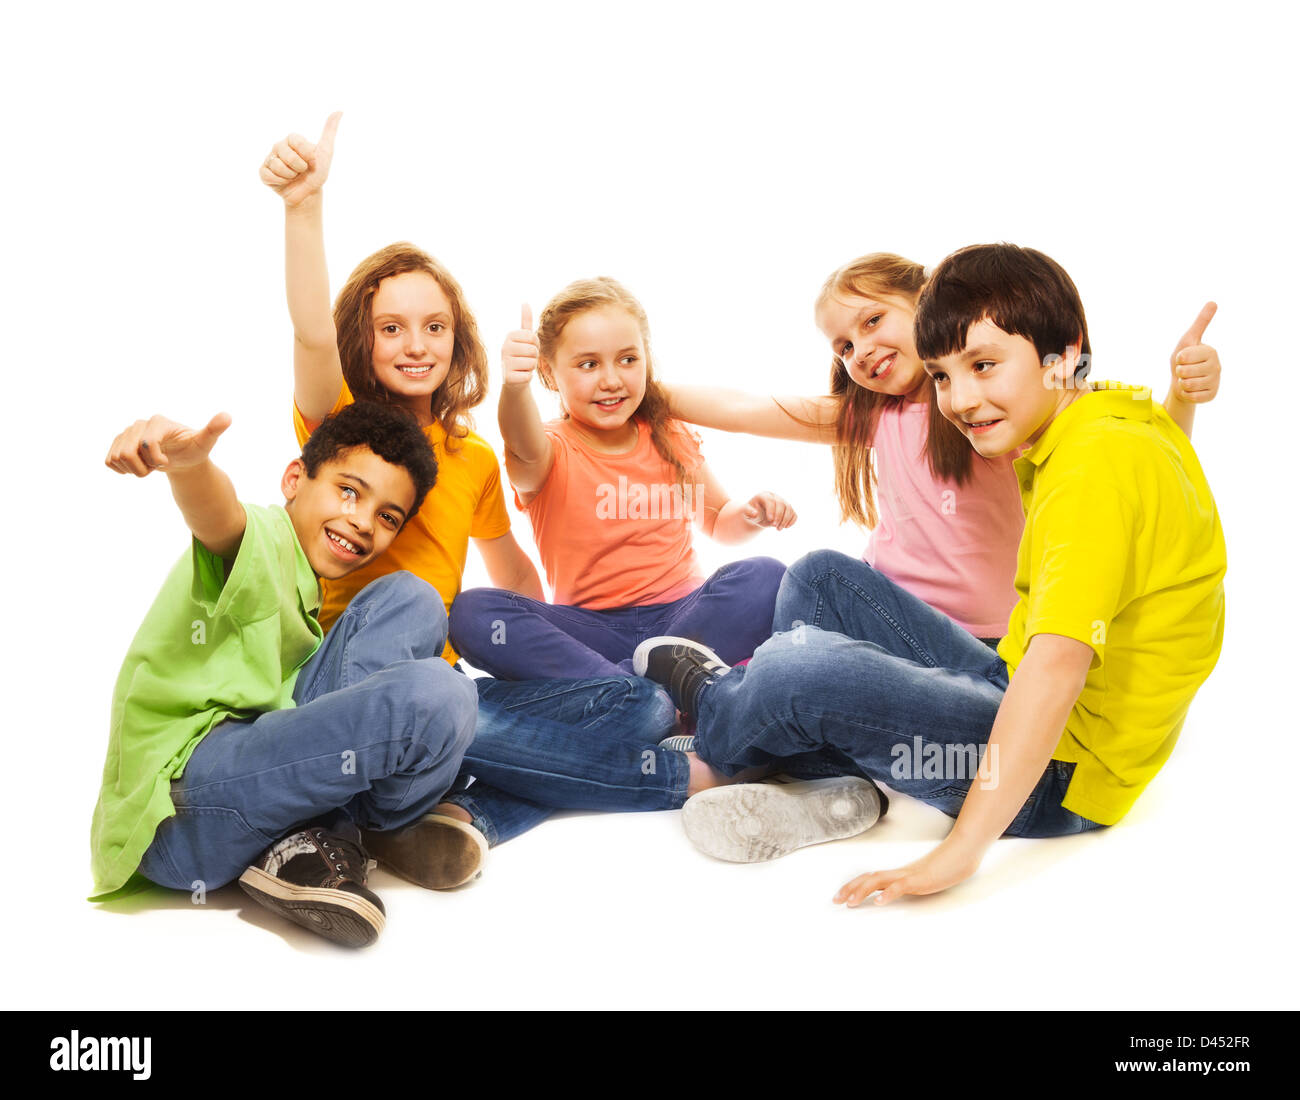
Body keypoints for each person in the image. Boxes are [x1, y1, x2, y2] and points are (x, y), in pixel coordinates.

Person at [635, 243, 1226, 906]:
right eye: (944, 375)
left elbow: (1059, 664)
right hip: (1013, 679)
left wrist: (959, 853)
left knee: (801, 665)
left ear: (1064, 355)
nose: (961, 399)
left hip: (1063, 772)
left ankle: (721, 718)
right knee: (820, 576)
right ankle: (818, 768)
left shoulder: (1090, 471)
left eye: (983, 366)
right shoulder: (1102, 417)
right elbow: (1157, 484)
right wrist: (1180, 394)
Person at [663, 252, 1220, 642]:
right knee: (780, 593)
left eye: (873, 320)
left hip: (984, 640)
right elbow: (743, 408)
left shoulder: (998, 407)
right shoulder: (870, 416)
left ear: (926, 307)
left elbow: (1140, 453)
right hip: (885, 613)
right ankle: (730, 692)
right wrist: (640, 391)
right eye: (844, 347)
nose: (859, 351)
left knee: (816, 641)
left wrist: (1182, 395)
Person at [91, 402, 480, 947]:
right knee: (441, 694)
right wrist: (191, 467)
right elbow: (220, 519)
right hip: (178, 812)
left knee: (413, 599)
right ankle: (349, 833)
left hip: (251, 767)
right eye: (349, 490)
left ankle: (332, 837)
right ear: (295, 479)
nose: (363, 521)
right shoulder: (265, 540)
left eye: (388, 516)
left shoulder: (310, 595)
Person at [261, 113, 543, 662]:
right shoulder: (340, 421)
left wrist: (556, 652)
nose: (417, 346)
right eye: (392, 329)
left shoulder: (474, 457)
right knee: (414, 602)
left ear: (456, 338)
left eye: (434, 327)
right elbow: (312, 333)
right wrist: (303, 208)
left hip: (440, 692)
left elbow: (514, 575)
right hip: (341, 672)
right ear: (361, 341)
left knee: (629, 711)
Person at [449, 278, 793, 680]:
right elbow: (521, 443)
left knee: (766, 576)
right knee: (474, 613)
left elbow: (717, 521)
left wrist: (751, 515)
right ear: (549, 370)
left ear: (646, 358)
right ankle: (655, 687)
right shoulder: (550, 449)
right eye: (589, 364)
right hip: (590, 631)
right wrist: (515, 387)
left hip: (684, 621)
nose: (611, 380)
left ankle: (630, 687)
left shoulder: (670, 435)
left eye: (627, 360)